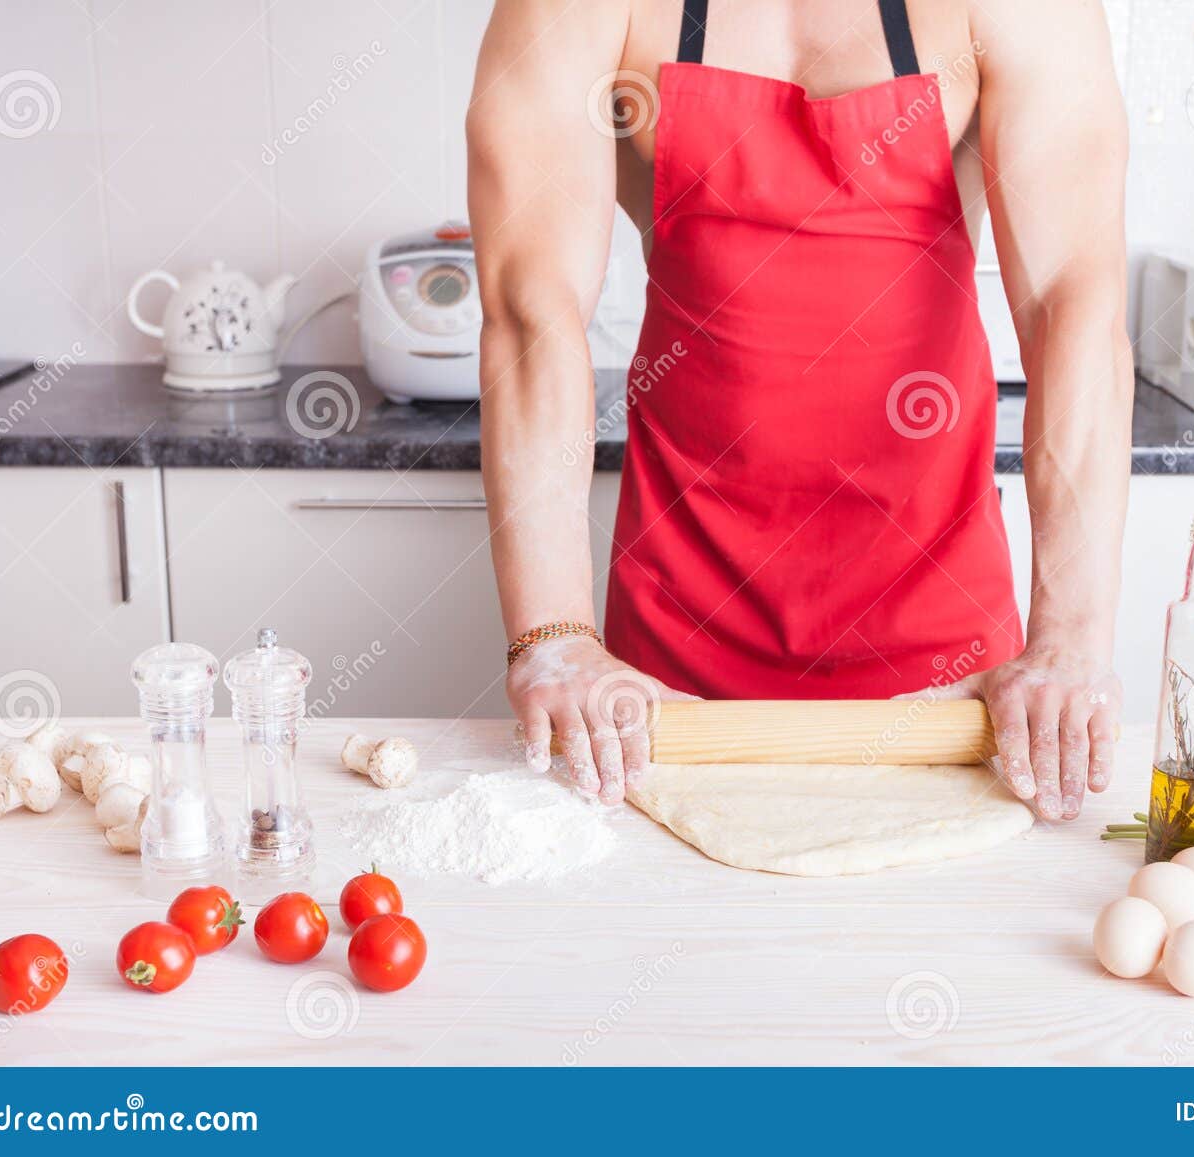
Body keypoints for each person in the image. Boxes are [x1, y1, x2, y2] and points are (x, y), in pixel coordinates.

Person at [467, 0, 1132, 821]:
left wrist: (1068, 638)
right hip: (670, 669)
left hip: (947, 667)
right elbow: (530, 304)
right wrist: (554, 635)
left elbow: (1075, 302)